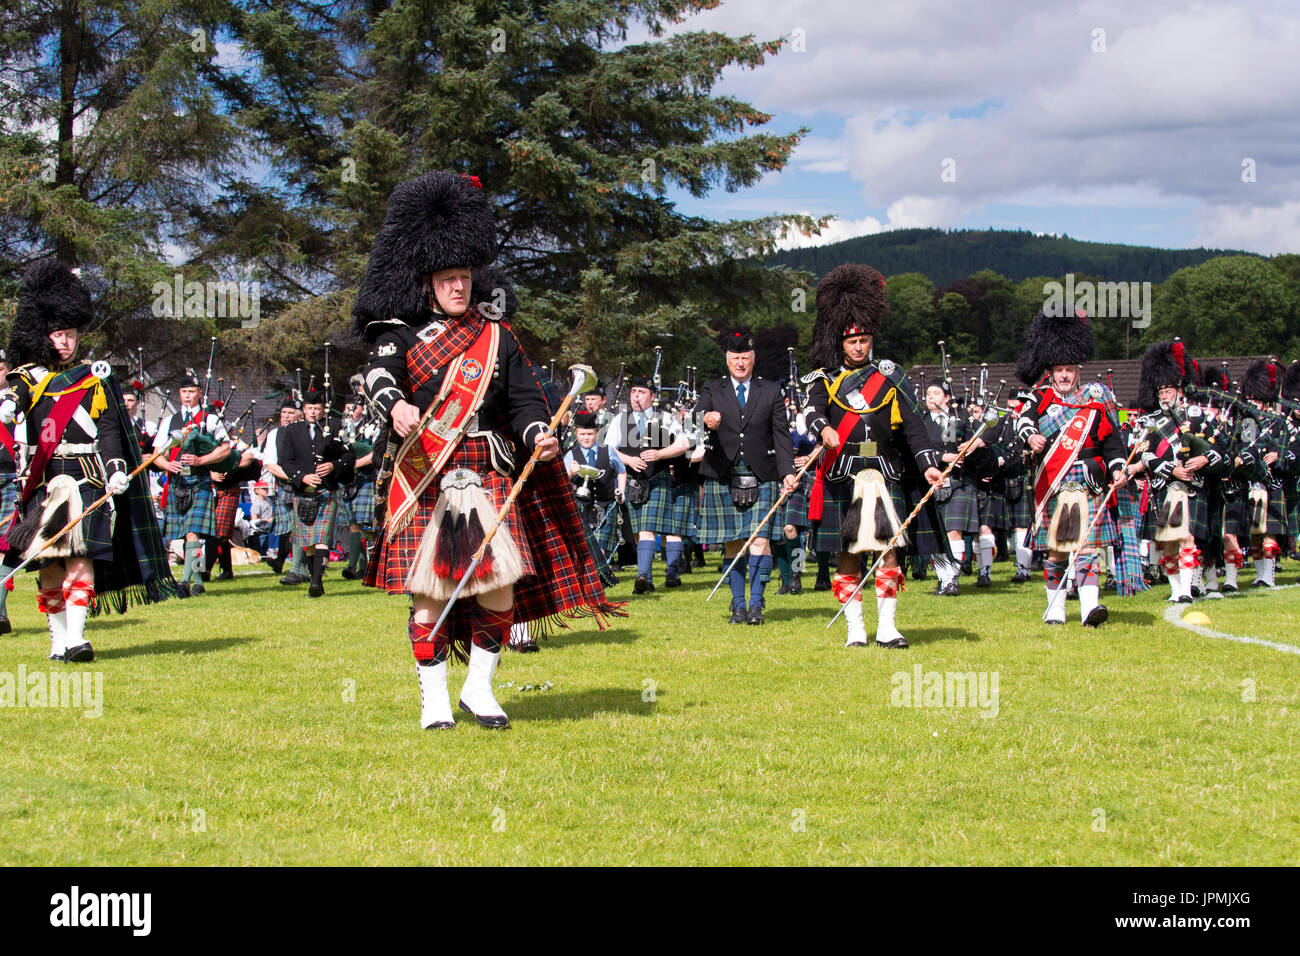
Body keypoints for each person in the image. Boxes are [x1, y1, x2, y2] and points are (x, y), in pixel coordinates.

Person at [352, 170, 620, 731]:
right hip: (425, 472)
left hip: (488, 473)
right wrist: (396, 407)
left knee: (498, 588)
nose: (459, 287)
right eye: (448, 278)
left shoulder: (497, 336)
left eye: (465, 277)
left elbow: (525, 404)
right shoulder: (397, 332)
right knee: (431, 595)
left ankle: (478, 689)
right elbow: (379, 377)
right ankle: (434, 700)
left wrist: (539, 438)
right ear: (428, 280)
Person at [0, 260, 176, 660]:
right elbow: (19, 398)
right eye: (58, 335)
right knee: (49, 566)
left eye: (70, 335)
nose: (65, 342)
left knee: (82, 558)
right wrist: (9, 406)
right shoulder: (28, 378)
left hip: (86, 477)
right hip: (44, 480)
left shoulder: (94, 378)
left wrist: (116, 471)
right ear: (43, 335)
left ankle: (78, 639)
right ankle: (58, 642)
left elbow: (111, 430)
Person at [804, 264, 949, 649]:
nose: (858, 347)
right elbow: (812, 411)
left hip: (885, 473)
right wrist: (824, 429)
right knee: (849, 554)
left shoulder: (892, 376)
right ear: (841, 342)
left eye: (864, 340)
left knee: (889, 552)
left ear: (871, 340)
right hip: (844, 475)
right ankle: (856, 629)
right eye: (852, 341)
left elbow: (916, 427)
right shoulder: (824, 377)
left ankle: (887, 627)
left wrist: (929, 465)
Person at [1014, 309, 1128, 627]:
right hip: (1053, 479)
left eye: (1069, 369)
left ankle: (1090, 608)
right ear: (1050, 371)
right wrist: (1032, 436)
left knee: (1087, 546)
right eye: (1059, 369)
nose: (1064, 375)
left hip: (1089, 479)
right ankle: (1056, 609)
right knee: (1057, 550)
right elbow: (1024, 421)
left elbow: (1114, 442)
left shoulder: (1097, 397)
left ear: (1078, 370)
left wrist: (1118, 468)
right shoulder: (1039, 398)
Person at [696, 329, 796, 624]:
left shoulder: (770, 390)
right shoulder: (714, 388)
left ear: (754, 359)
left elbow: (782, 435)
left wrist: (787, 472)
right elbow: (694, 415)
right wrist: (704, 418)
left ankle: (756, 604)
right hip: (723, 472)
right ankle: (738, 604)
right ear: (727, 359)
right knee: (732, 542)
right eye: (735, 357)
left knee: (760, 540)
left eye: (746, 357)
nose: (740, 362)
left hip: (762, 473)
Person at [1134, 340, 1221, 603]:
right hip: (1166, 489)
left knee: (1188, 540)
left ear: (1179, 389)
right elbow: (1145, 456)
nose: (1164, 395)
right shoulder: (1150, 423)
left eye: (1168, 390)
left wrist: (1203, 460)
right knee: (1169, 544)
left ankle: (1185, 589)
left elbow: (1220, 451)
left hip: (1192, 490)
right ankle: (1175, 590)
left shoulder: (1197, 418)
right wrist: (1172, 469)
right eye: (1160, 390)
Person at [605, 375, 690, 593]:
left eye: (641, 392)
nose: (636, 397)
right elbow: (610, 449)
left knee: (646, 529)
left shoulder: (665, 418)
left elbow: (684, 443)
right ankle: (647, 578)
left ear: (652, 397)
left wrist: (661, 454)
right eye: (633, 392)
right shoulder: (619, 420)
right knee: (636, 533)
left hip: (657, 480)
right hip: (633, 482)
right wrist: (628, 459)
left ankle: (641, 576)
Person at [152, 370, 231, 597]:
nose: (188, 396)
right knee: (188, 535)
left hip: (200, 480)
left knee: (193, 533)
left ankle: (186, 580)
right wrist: (168, 466)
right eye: (184, 392)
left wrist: (202, 460)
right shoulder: (170, 420)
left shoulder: (211, 418)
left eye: (192, 392)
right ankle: (197, 581)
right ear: (180, 394)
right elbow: (157, 453)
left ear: (199, 393)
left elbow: (225, 448)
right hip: (177, 482)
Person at [277, 388, 354, 597]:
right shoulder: (291, 431)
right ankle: (315, 579)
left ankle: (316, 583)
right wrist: (301, 477)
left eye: (317, 408)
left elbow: (350, 456)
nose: (313, 412)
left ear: (323, 410)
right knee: (309, 544)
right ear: (303, 410)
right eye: (310, 408)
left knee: (321, 537)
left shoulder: (336, 427)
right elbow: (284, 461)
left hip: (326, 490)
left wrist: (332, 466)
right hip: (302, 491)